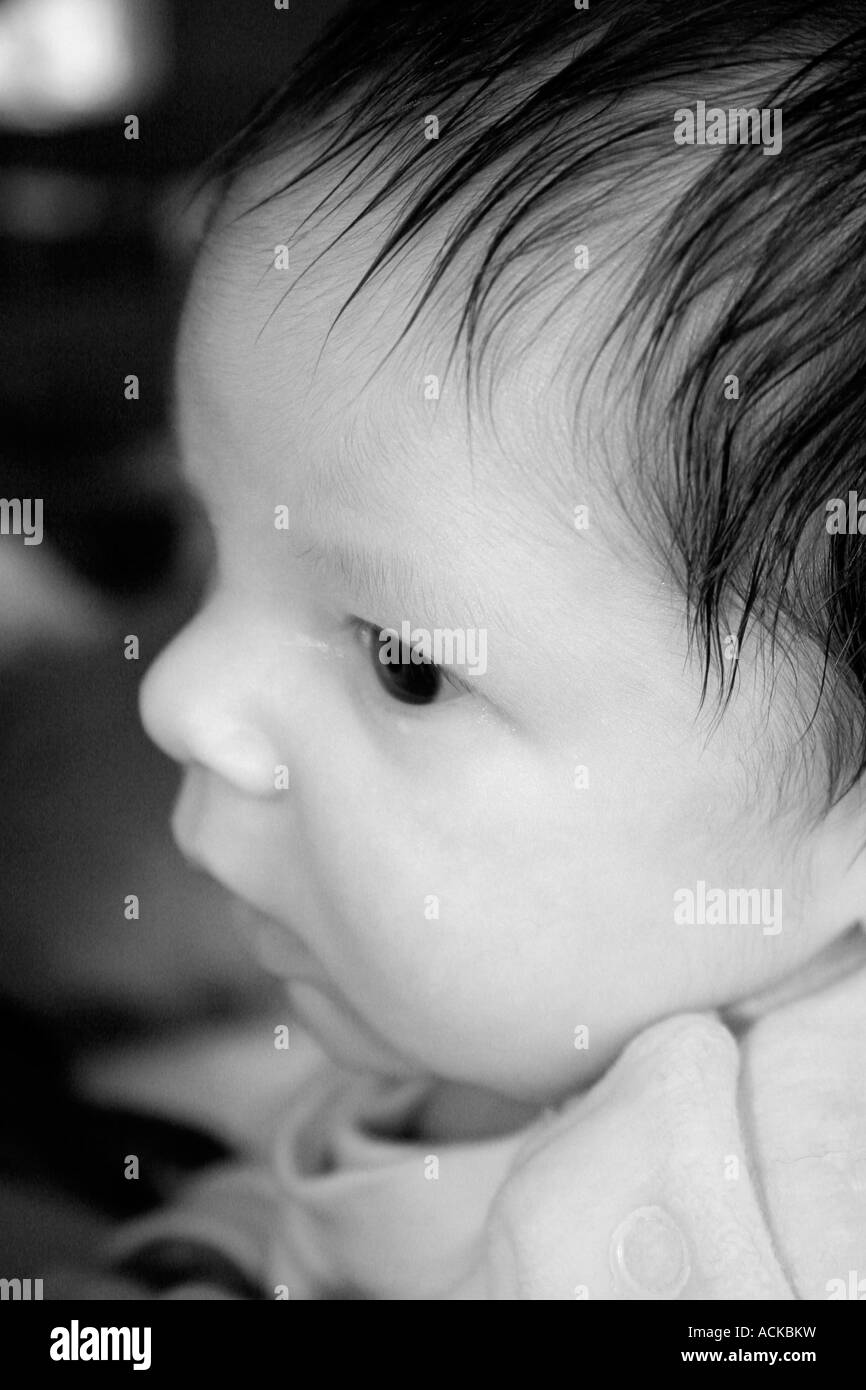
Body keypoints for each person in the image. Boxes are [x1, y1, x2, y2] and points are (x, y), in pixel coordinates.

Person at [93, 0, 866, 1298]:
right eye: (206, 533)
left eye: (406, 663)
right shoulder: (527, 999)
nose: (180, 693)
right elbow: (330, 1186)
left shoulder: (773, 1220)